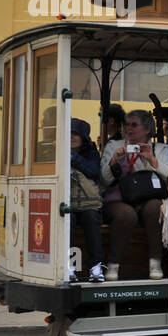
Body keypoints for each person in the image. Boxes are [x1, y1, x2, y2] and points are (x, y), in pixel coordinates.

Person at [100, 109, 168, 281]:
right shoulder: (113, 146)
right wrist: (114, 160)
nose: (128, 128)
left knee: (156, 208)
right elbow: (103, 179)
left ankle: (155, 263)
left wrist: (150, 159)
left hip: (147, 198)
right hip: (119, 198)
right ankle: (112, 265)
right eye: (126, 124)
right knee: (126, 215)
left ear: (147, 129)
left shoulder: (159, 148)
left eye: (134, 125)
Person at [69, 118, 106, 282]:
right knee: (67, 222)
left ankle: (96, 267)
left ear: (83, 137)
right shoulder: (54, 151)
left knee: (92, 218)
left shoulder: (91, 152)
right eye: (68, 133)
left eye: (75, 134)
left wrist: (71, 157)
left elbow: (92, 171)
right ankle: (70, 268)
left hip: (87, 204)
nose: (71, 137)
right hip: (67, 204)